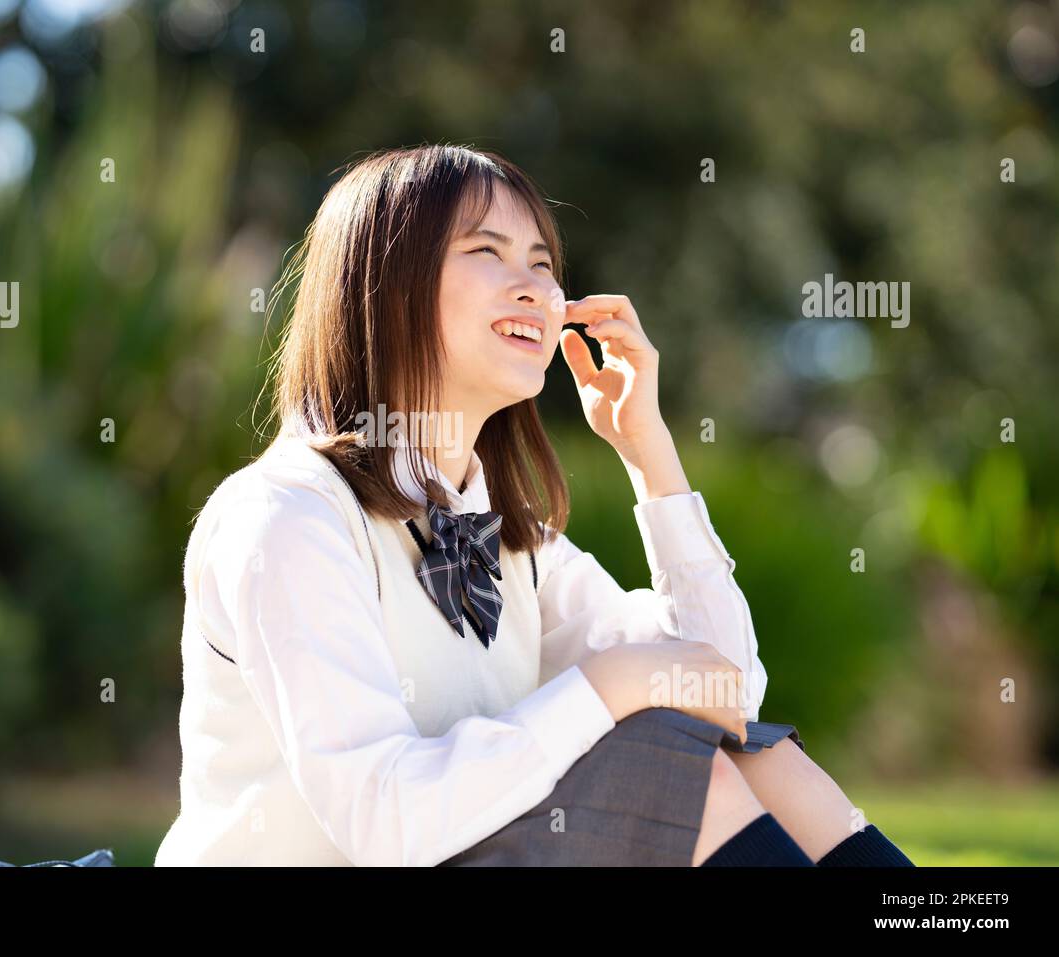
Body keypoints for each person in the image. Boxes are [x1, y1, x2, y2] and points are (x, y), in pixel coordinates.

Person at [153, 143, 914, 867]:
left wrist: (647, 448)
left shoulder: (505, 534)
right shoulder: (286, 516)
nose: (537, 288)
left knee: (758, 753)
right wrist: (612, 684)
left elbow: (730, 694)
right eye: (487, 252)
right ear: (383, 288)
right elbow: (384, 823)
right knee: (680, 781)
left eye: (544, 264)